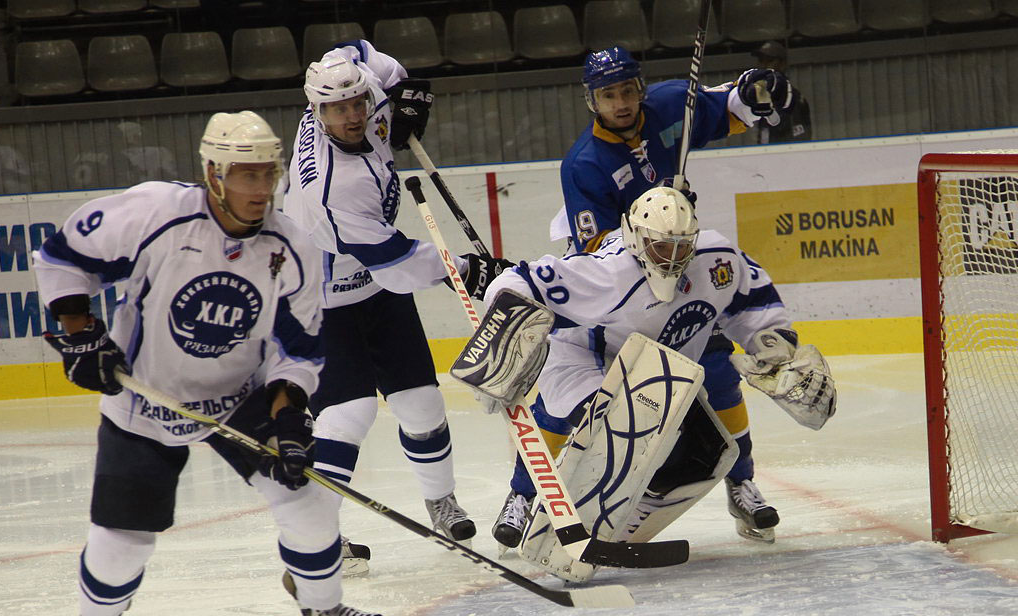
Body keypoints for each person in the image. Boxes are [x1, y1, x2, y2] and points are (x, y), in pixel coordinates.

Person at [29, 111, 395, 616]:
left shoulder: (291, 243)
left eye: (269, 174)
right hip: (145, 397)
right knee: (121, 538)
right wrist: (82, 338)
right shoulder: (156, 212)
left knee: (308, 502)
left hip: (240, 396)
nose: (261, 189)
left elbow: (298, 348)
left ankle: (322, 611)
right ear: (214, 173)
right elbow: (62, 258)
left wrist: (290, 417)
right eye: (246, 176)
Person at [495, 47, 799, 549]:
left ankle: (741, 482)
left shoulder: (671, 105)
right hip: (617, 286)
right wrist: (653, 222)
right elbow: (596, 250)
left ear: (641, 87)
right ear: (591, 100)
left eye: (628, 90)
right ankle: (524, 494)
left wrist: (758, 91)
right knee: (575, 390)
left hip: (675, 255)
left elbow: (731, 109)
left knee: (718, 368)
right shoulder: (584, 164)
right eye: (608, 95)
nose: (621, 103)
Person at [474, 187, 835, 549]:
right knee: (591, 422)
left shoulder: (715, 257)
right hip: (588, 357)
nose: (673, 258)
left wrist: (771, 344)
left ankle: (730, 487)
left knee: (695, 440)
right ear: (636, 239)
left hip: (660, 361)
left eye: (682, 246)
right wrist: (497, 338)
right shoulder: (607, 273)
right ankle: (521, 497)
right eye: (662, 247)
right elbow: (518, 281)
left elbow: (751, 296)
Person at [282, 41, 509, 553]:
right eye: (338, 110)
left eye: (358, 104)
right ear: (317, 112)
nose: (353, 116)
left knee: (423, 403)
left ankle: (442, 504)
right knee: (349, 414)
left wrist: (404, 93)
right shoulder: (329, 190)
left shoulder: (361, 94)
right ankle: (317, 537)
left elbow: (359, 49)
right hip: (319, 300)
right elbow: (401, 262)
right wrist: (469, 271)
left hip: (375, 289)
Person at [752, 42, 812, 144]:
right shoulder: (756, 96)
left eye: (770, 61)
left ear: (782, 64)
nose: (763, 65)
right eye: (761, 61)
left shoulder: (792, 98)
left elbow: (800, 137)